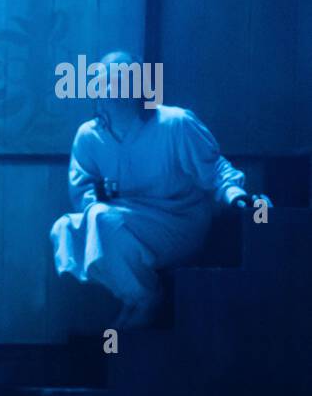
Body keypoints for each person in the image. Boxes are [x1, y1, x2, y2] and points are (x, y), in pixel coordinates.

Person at [51, 51, 269, 327]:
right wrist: (101, 200)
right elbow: (83, 191)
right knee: (65, 229)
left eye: (122, 80)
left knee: (100, 219)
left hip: (179, 222)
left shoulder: (175, 123)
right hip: (123, 219)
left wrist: (236, 196)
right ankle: (133, 295)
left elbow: (215, 169)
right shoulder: (88, 136)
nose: (112, 88)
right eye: (105, 81)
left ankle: (146, 298)